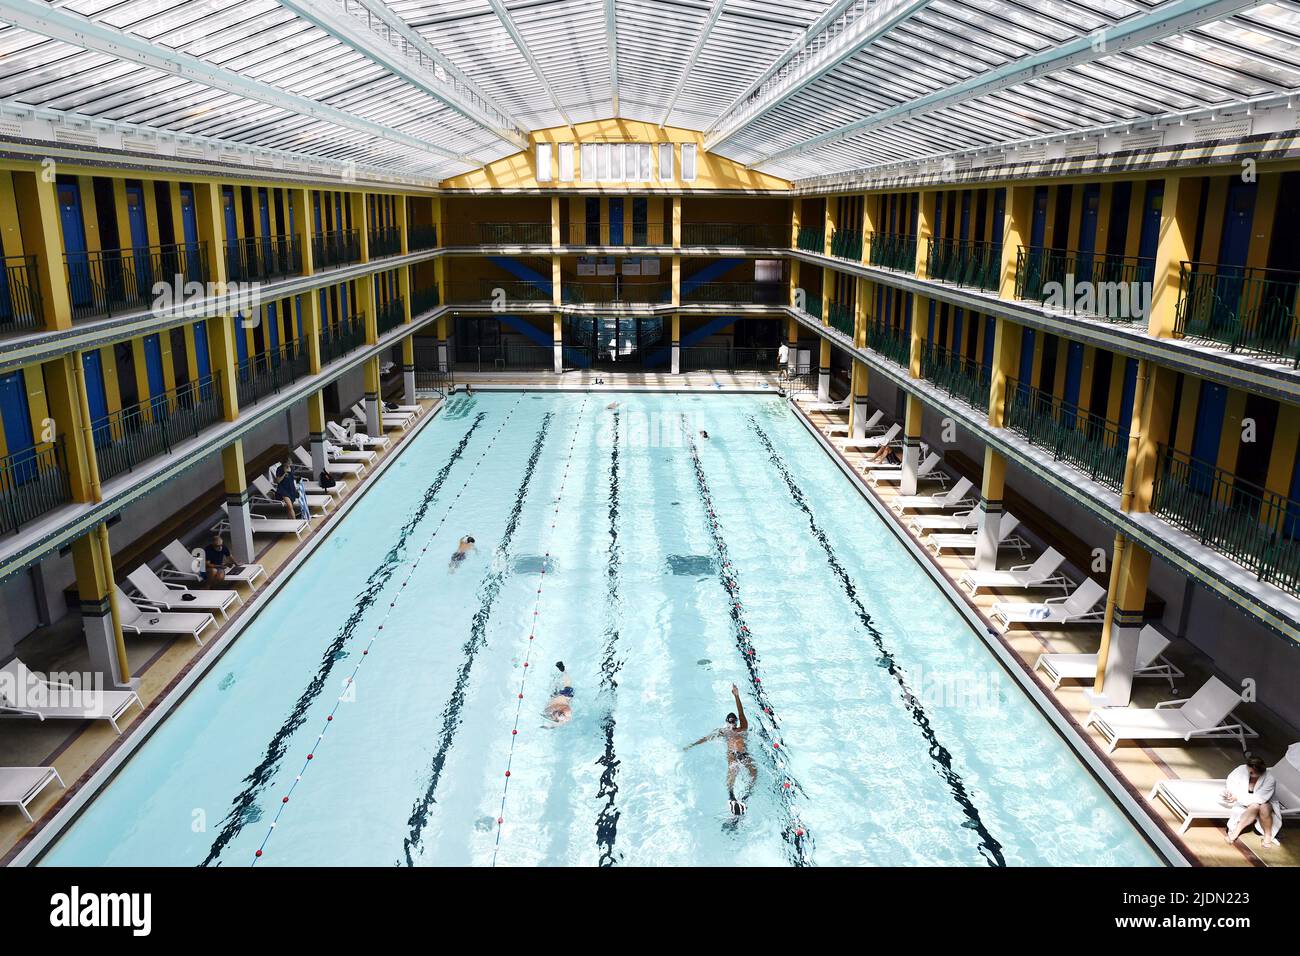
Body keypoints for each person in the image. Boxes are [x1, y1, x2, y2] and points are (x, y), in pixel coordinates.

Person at [684, 683, 756, 815]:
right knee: (732, 772)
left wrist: (736, 696)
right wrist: (692, 745)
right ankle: (731, 798)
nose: (733, 723)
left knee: (753, 774)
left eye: (734, 721)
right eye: (730, 721)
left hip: (743, 754)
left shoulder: (742, 728)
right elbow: (707, 738)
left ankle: (744, 799)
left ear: (737, 722)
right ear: (726, 722)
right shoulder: (723, 732)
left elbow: (741, 713)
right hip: (732, 755)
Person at [1223, 755, 1282, 848]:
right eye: (1250, 772)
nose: (1252, 774)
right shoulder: (1241, 769)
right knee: (1254, 806)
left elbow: (1261, 798)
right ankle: (1235, 833)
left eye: (1255, 773)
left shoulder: (1269, 779)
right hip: (1246, 801)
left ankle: (1268, 835)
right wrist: (1231, 793)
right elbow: (1231, 782)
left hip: (1266, 801)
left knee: (1263, 807)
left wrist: (1238, 797)